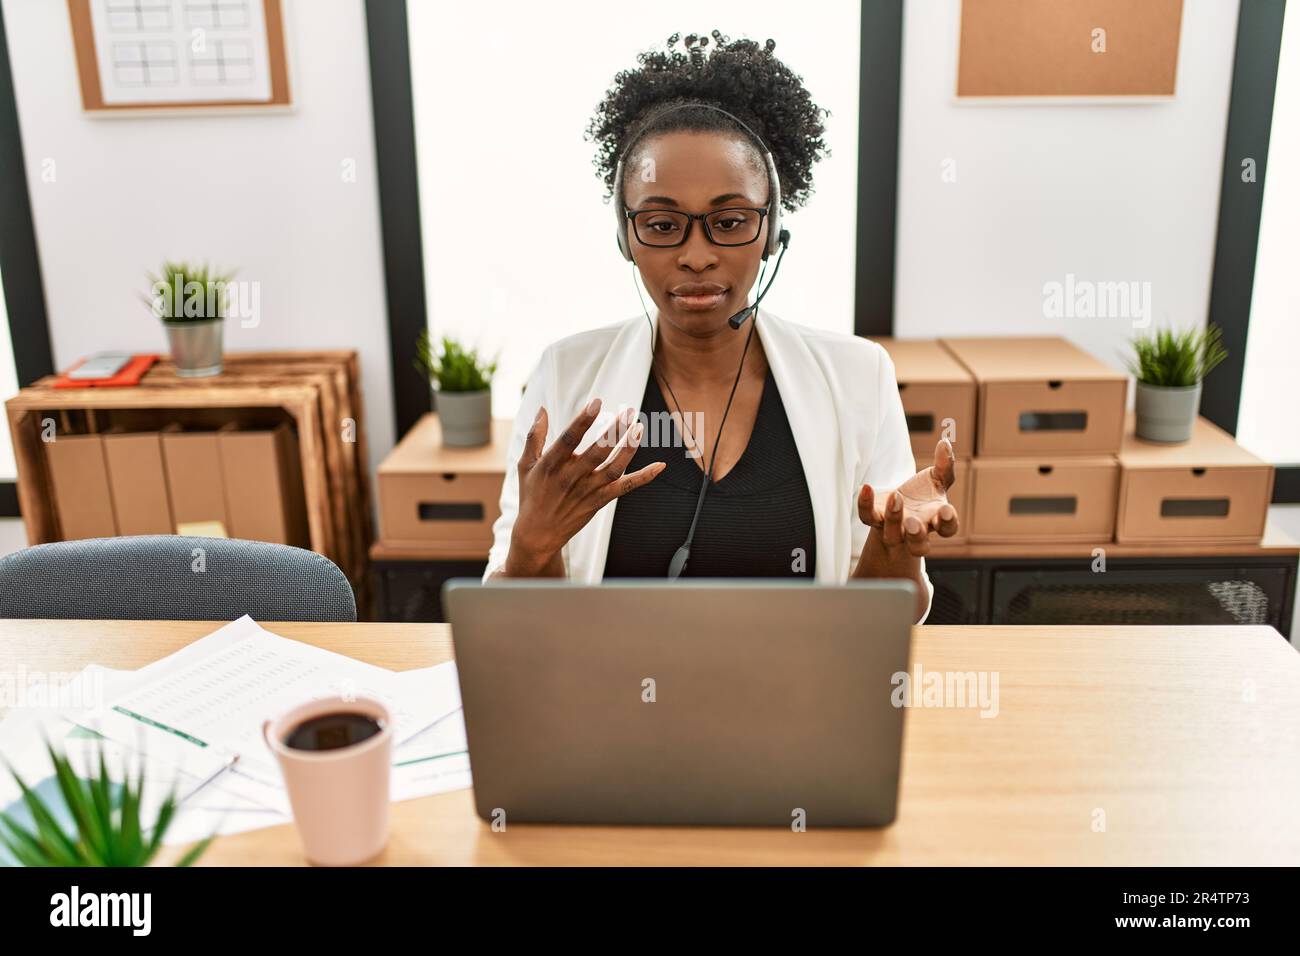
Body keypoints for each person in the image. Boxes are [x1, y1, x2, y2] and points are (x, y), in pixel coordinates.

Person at [484, 30, 958, 623]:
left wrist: (894, 553)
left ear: (771, 234)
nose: (697, 255)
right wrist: (531, 546)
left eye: (730, 221)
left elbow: (882, 620)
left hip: (793, 701)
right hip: (612, 701)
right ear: (625, 239)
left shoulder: (858, 376)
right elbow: (518, 622)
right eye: (661, 225)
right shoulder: (567, 372)